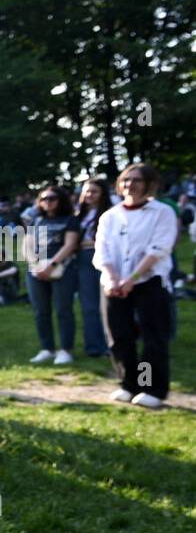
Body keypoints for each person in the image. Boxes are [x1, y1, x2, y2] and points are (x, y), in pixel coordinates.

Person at [94, 163, 178, 409]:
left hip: (148, 281)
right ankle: (128, 383)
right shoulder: (110, 215)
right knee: (119, 335)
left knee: (153, 337)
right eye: (126, 180)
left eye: (137, 180)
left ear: (149, 184)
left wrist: (131, 279)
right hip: (113, 282)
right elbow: (102, 250)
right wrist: (112, 278)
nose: (130, 184)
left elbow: (159, 248)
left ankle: (151, 387)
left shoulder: (161, 212)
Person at [22, 185, 81, 365]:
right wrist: (36, 264)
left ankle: (65, 349)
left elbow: (70, 245)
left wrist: (52, 264)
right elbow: (27, 246)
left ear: (60, 200)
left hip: (62, 269)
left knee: (63, 310)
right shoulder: (36, 221)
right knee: (41, 311)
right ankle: (46, 348)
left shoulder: (70, 220)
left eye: (52, 198)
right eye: (44, 199)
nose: (47, 202)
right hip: (36, 271)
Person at [73, 178, 112, 358]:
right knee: (89, 305)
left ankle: (112, 344)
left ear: (102, 194)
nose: (89, 195)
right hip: (83, 260)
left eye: (94, 191)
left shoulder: (111, 214)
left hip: (106, 259)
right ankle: (94, 347)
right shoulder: (78, 215)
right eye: (86, 191)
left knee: (109, 304)